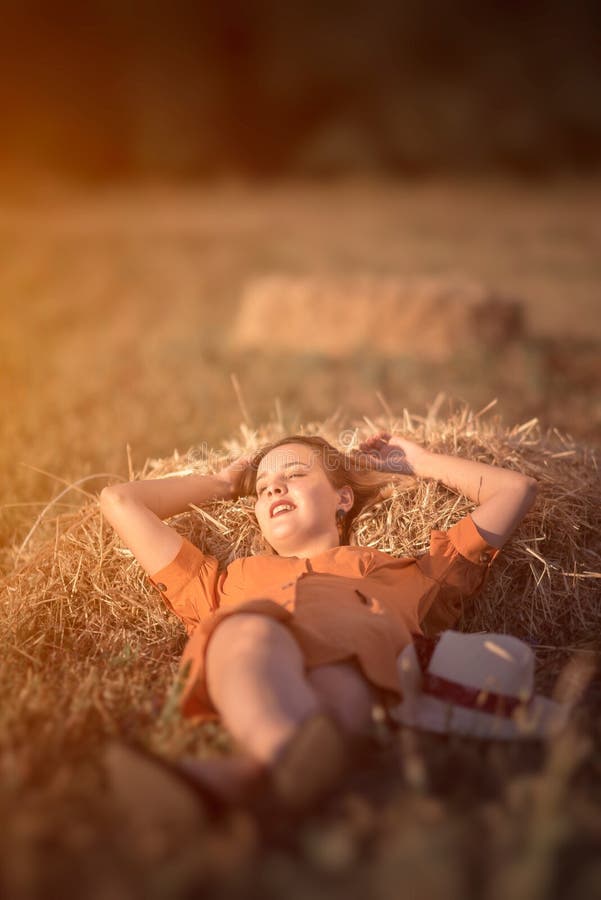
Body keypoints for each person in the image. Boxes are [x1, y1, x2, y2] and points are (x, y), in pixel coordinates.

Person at [100, 431, 537, 812]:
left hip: (353, 670)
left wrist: (420, 461)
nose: (273, 489)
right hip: (255, 650)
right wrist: (220, 483)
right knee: (248, 629)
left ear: (342, 499)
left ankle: (236, 780)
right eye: (263, 487)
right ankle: (284, 768)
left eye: (293, 475)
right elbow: (119, 501)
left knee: (343, 672)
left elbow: (515, 490)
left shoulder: (409, 575)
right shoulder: (224, 583)